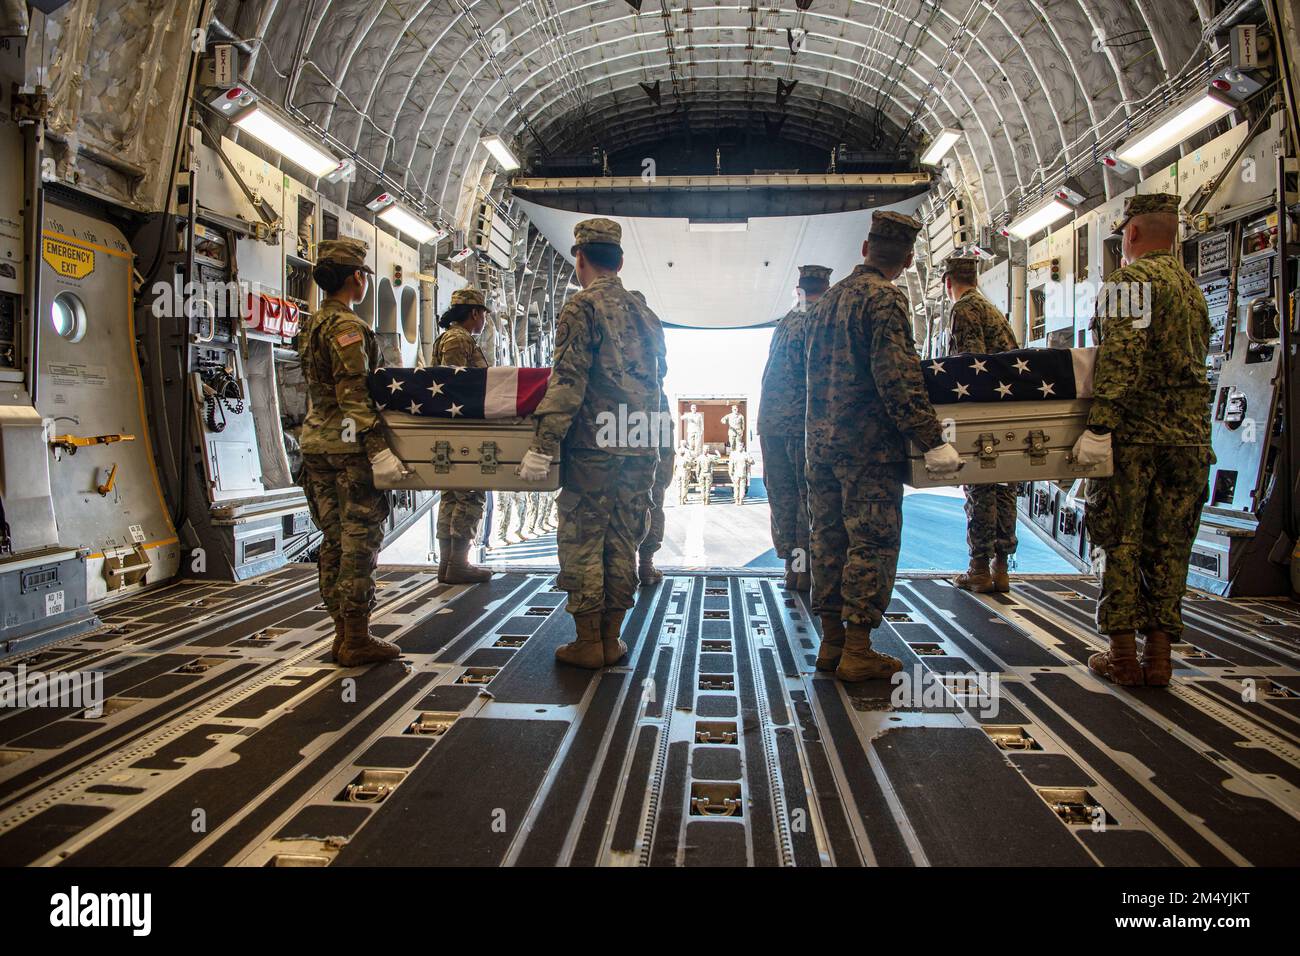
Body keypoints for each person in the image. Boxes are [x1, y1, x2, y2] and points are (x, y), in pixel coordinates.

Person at [804, 212, 962, 681]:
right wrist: (932, 440)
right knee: (870, 542)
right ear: (910, 259)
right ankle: (857, 650)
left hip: (821, 446)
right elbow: (897, 375)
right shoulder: (886, 300)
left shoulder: (826, 302)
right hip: (867, 450)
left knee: (828, 539)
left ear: (864, 250)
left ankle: (831, 644)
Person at [1073, 193, 1211, 688]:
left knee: (1123, 541)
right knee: (1171, 545)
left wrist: (1099, 427)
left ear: (1130, 234)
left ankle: (1123, 656)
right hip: (1191, 441)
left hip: (1137, 439)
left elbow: (1120, 359)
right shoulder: (1192, 290)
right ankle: (1160, 657)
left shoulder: (1127, 281)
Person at [518, 218, 666, 669]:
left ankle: (587, 642)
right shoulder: (646, 312)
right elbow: (657, 380)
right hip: (640, 443)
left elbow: (567, 383)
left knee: (584, 537)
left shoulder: (582, 308)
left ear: (579, 259)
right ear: (619, 261)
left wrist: (543, 446)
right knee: (623, 536)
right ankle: (610, 639)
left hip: (595, 447)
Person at [299, 238, 409, 667]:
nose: (364, 280)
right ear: (353, 279)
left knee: (333, 541)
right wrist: (379, 450)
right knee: (359, 541)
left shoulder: (310, 324)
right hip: (348, 449)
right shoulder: (347, 328)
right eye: (362, 274)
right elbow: (354, 396)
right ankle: (357, 636)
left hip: (315, 447)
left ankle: (342, 634)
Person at [942, 254, 1020, 593]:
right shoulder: (991, 309)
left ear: (948, 283)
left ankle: (978, 569)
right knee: (1003, 489)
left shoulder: (963, 309)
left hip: (983, 413)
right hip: (1006, 411)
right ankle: (1000, 568)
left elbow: (969, 367)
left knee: (980, 489)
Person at [758, 264, 831, 591]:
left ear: (799, 288)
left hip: (772, 424)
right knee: (807, 500)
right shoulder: (820, 319)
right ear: (825, 288)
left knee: (783, 499)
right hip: (801, 425)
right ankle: (805, 573)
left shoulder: (787, 321)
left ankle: (792, 568)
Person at [430, 288, 494, 584]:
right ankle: (458, 563)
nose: (484, 321)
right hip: (461, 429)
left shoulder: (452, 337)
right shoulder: (458, 340)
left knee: (452, 494)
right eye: (483, 314)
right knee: (469, 494)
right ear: (474, 313)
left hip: (452, 428)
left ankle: (448, 564)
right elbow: (454, 384)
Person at [630, 290, 674, 586]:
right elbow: (663, 367)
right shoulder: (652, 328)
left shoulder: (607, 327)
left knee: (620, 496)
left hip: (619, 415)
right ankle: (646, 565)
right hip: (656, 411)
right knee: (655, 493)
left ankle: (622, 567)